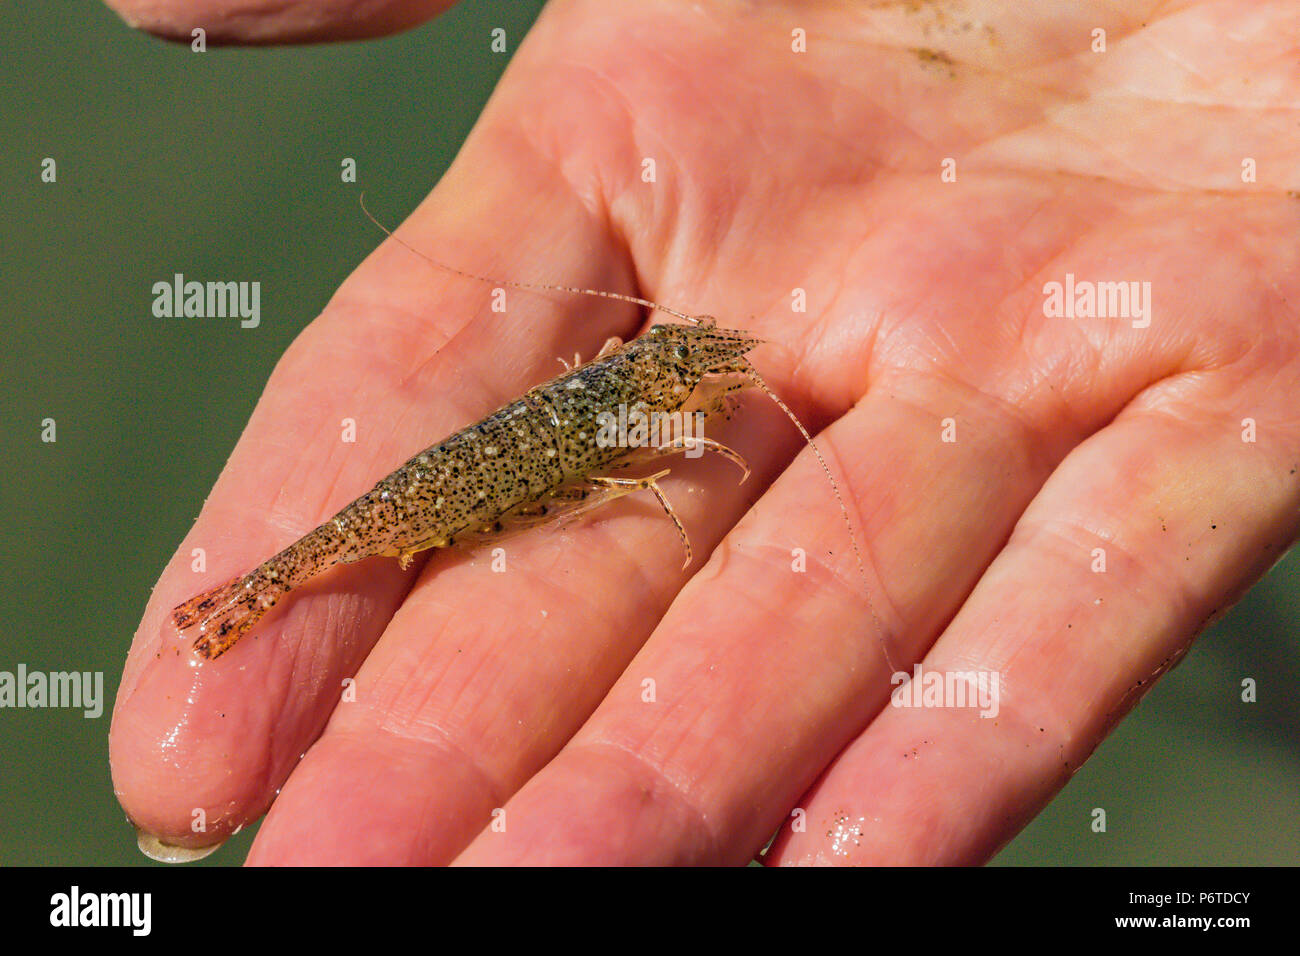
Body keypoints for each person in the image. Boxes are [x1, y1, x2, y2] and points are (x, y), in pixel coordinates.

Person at [107, 0, 1300, 865]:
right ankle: (243, 604)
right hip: (461, 481)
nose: (704, 377)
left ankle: (240, 600)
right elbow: (618, 452)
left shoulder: (634, 391)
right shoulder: (631, 418)